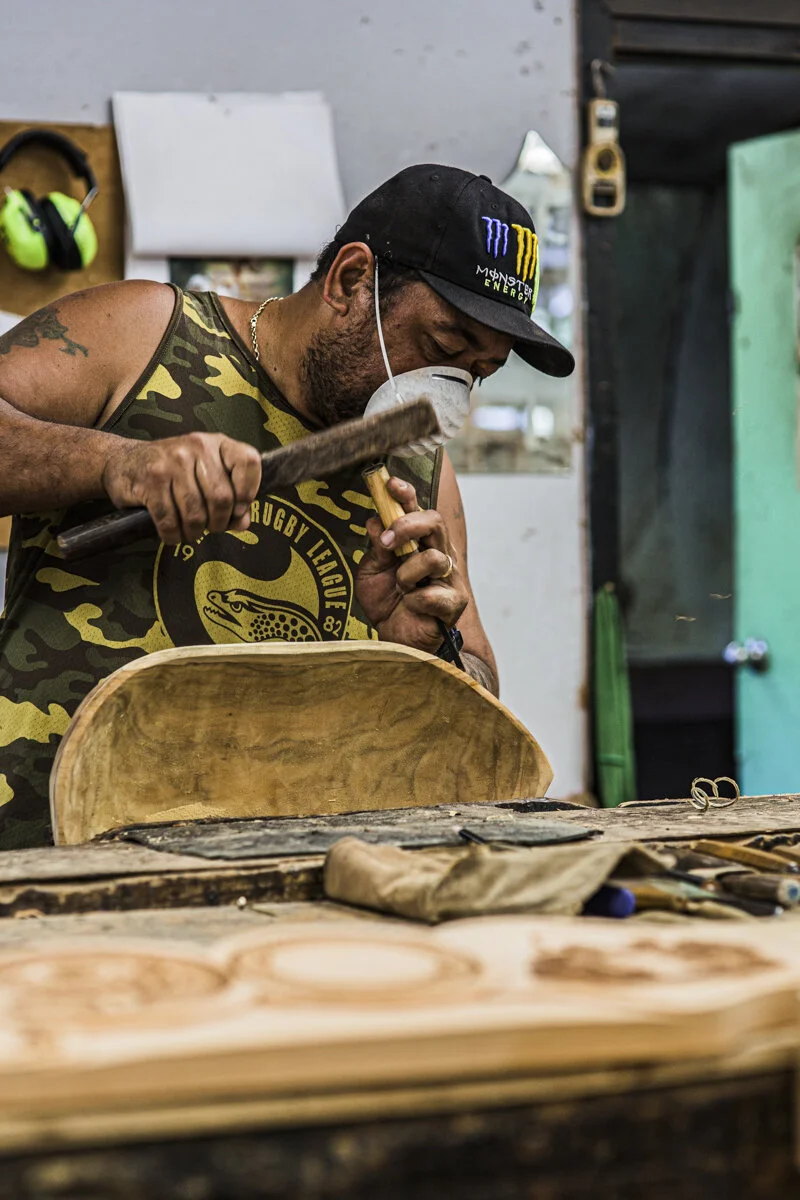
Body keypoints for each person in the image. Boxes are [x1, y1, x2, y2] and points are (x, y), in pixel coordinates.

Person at [0, 164, 574, 848]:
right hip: (59, 847)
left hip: (281, 871)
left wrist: (422, 656)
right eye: (442, 348)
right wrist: (118, 462)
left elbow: (477, 696)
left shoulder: (420, 468)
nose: (443, 396)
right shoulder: (149, 336)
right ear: (350, 281)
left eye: (473, 374)